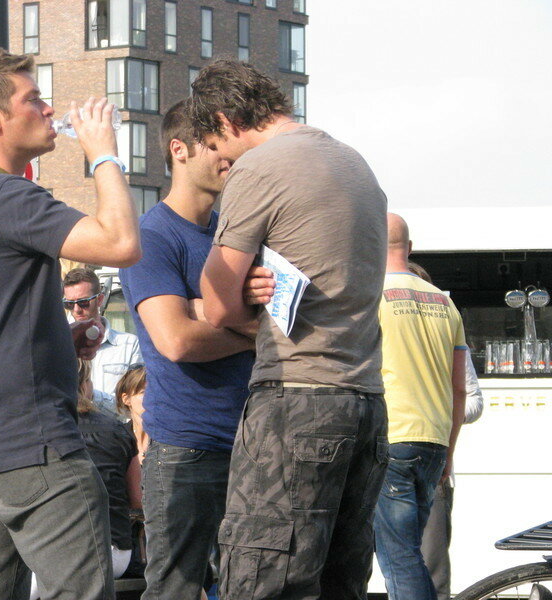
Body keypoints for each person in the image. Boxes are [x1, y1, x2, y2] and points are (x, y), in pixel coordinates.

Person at [0, 48, 140, 600]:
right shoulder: (7, 196)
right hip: (31, 447)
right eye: (33, 100)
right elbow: (120, 243)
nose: (49, 108)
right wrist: (104, 154)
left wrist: (58, 343)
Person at [192, 59, 388, 599]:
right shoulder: (355, 164)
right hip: (366, 399)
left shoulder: (261, 167)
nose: (224, 162)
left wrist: (243, 307)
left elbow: (216, 304)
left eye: (219, 148)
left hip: (295, 398)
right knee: (340, 582)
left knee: (263, 579)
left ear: (225, 119)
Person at [119, 99, 255, 600]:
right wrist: (250, 329)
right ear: (179, 149)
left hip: (251, 444)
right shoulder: (152, 236)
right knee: (175, 590)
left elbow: (278, 317)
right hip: (186, 448)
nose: (230, 155)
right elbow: (175, 340)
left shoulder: (234, 236)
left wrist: (208, 312)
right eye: (217, 143)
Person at [373, 214, 468, 600]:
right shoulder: (446, 303)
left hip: (391, 436)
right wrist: (449, 451)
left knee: (399, 557)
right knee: (413, 555)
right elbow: (459, 389)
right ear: (409, 249)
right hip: (434, 440)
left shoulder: (371, 295)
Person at [29, 360, 142, 599]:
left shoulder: (35, 430)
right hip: (114, 552)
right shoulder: (119, 431)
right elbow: (137, 499)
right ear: (85, 385)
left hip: (55, 550)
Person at [409, 261, 484, 600]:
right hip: (390, 459)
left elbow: (473, 401)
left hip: (434, 461)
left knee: (433, 567)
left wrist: (434, 412)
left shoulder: (445, 336)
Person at [63, 267, 143, 409]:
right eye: (69, 304)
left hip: (114, 423)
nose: (76, 310)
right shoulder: (58, 345)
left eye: (83, 302)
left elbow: (136, 403)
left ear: (100, 299)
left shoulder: (129, 345)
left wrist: (91, 396)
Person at [114, 364, 148, 461]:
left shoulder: (169, 438)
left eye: (154, 392)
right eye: (143, 392)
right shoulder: (118, 440)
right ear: (126, 399)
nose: (151, 397)